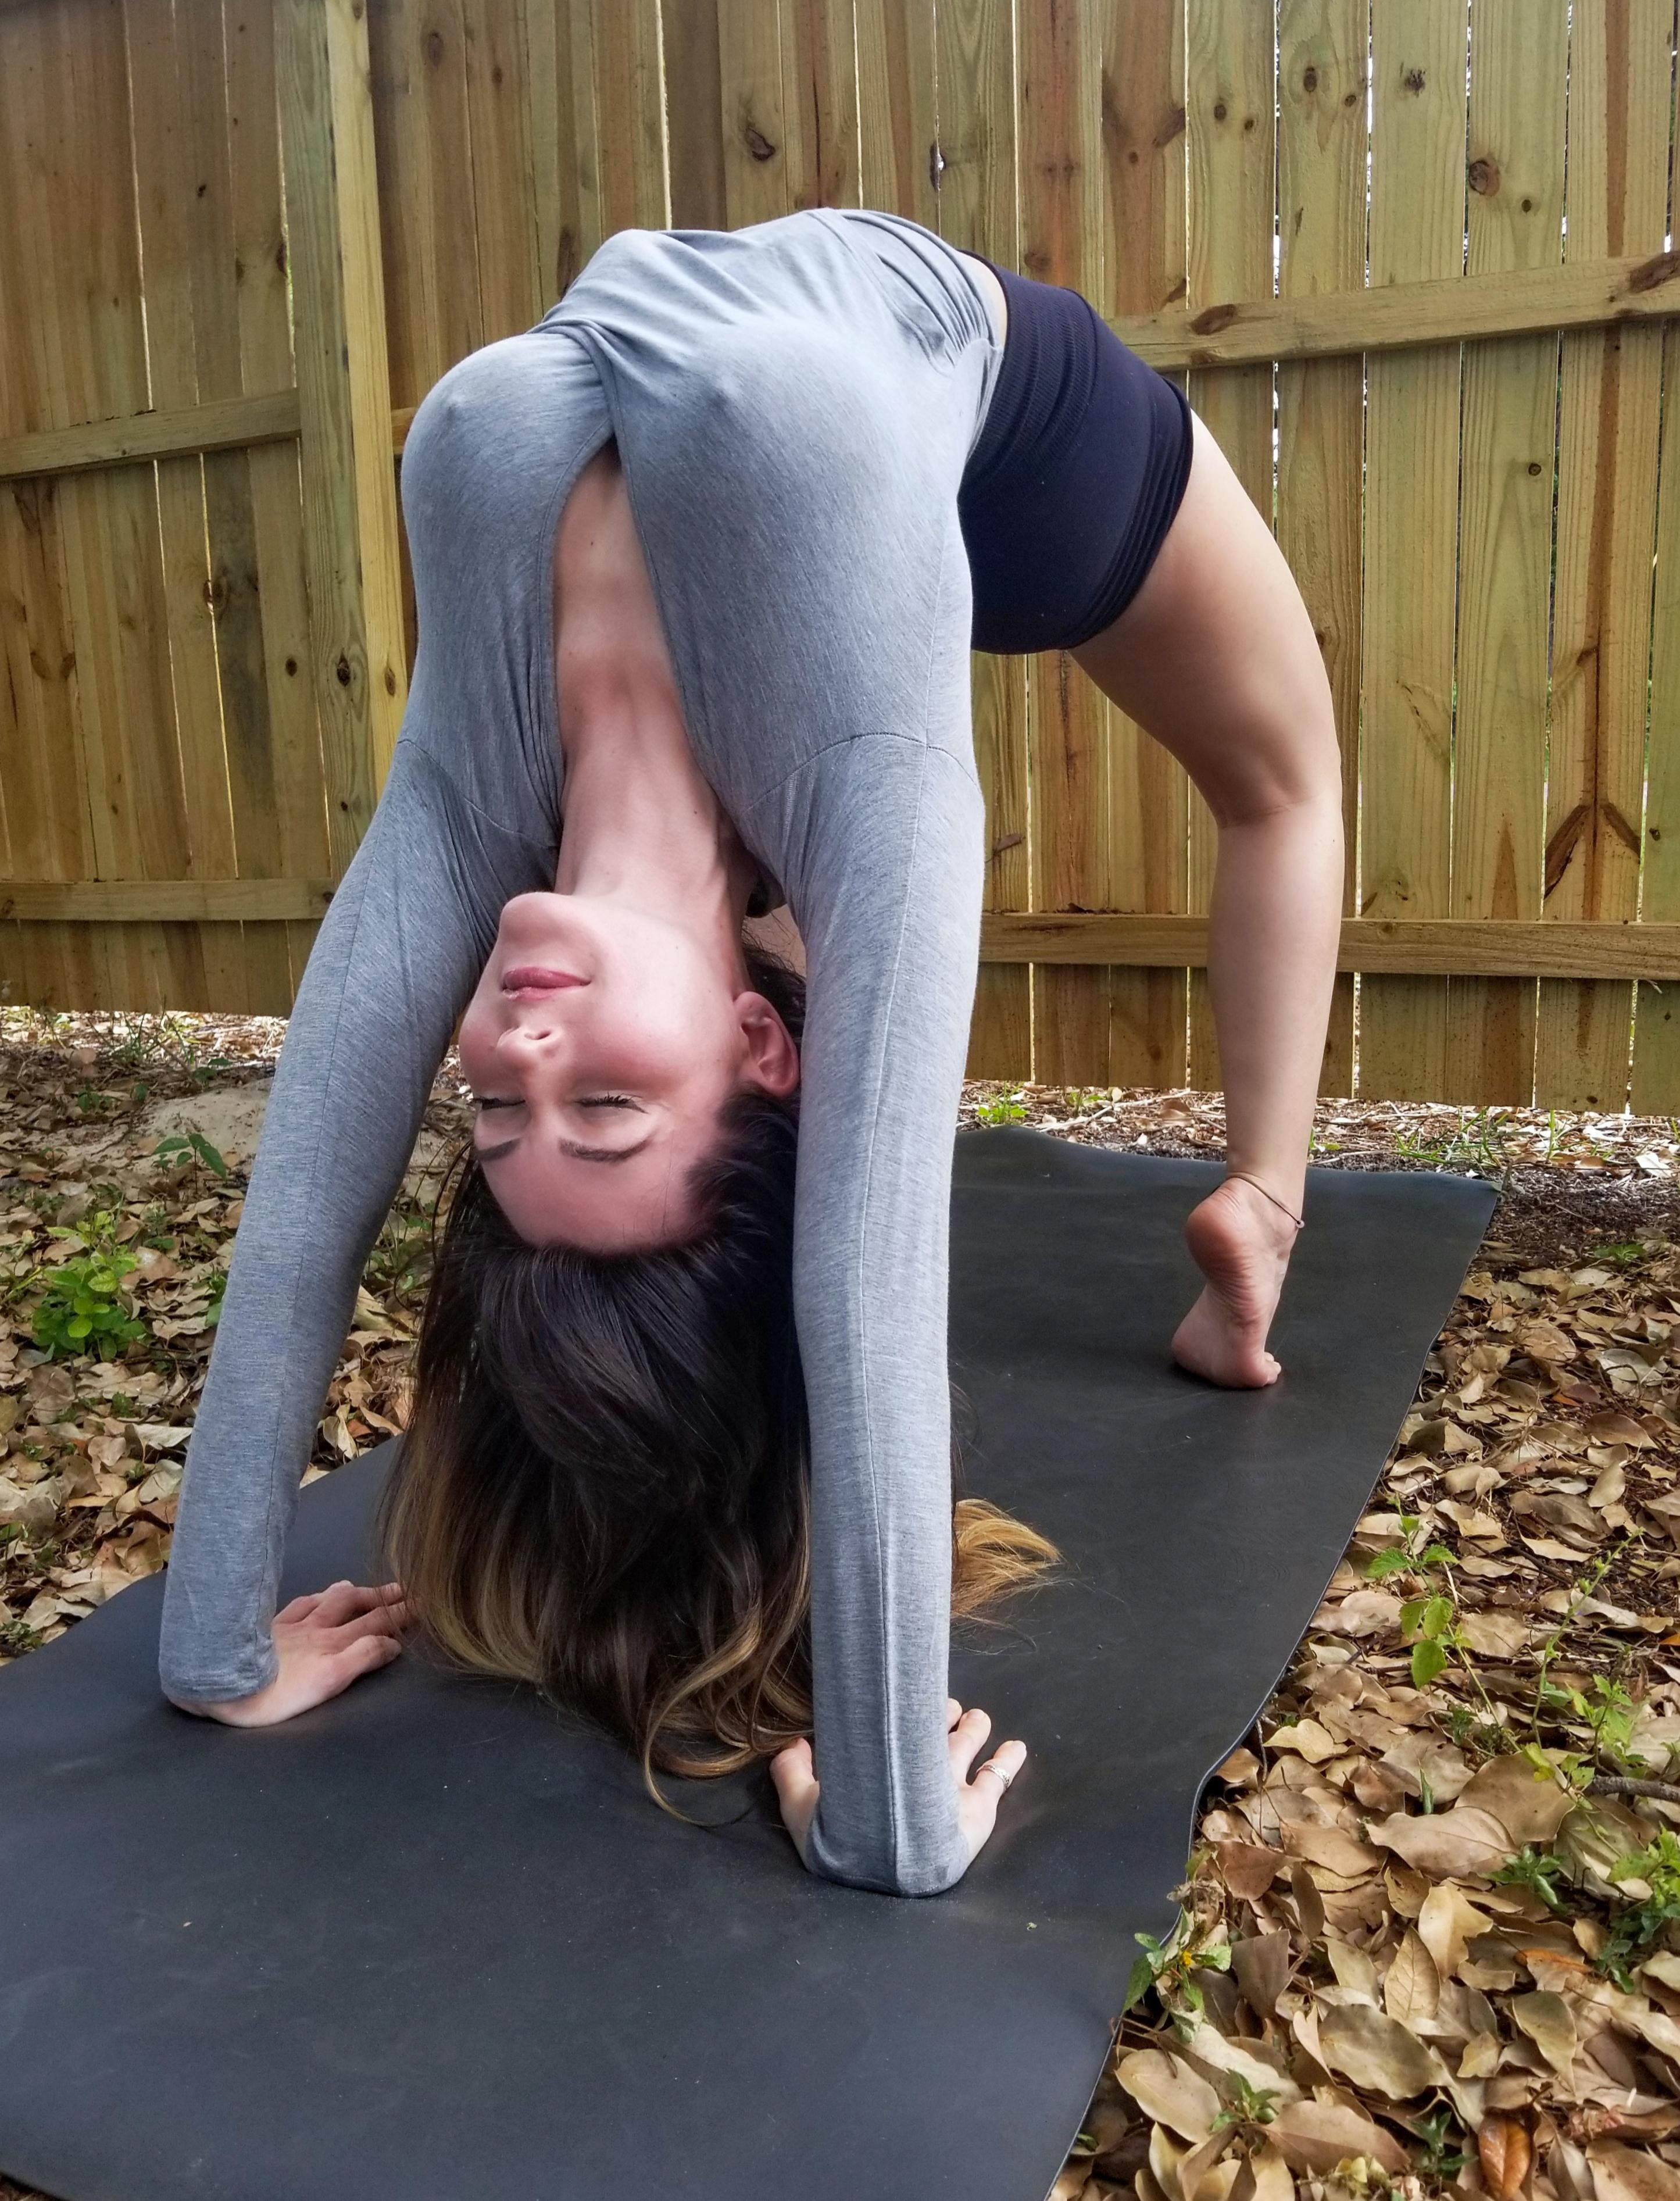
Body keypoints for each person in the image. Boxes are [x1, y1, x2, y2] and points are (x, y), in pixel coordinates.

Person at [157, 208, 1342, 1896]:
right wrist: (887, 1811)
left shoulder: (462, 801)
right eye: (606, 1104)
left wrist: (219, 1646)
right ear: (762, 1043)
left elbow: (297, 1224)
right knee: (1283, 781)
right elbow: (864, 1292)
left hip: (786, 440)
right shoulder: (870, 793)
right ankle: (1267, 1202)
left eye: (495, 1104)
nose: (524, 1039)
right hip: (1006, 438)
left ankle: (1259, 1225)